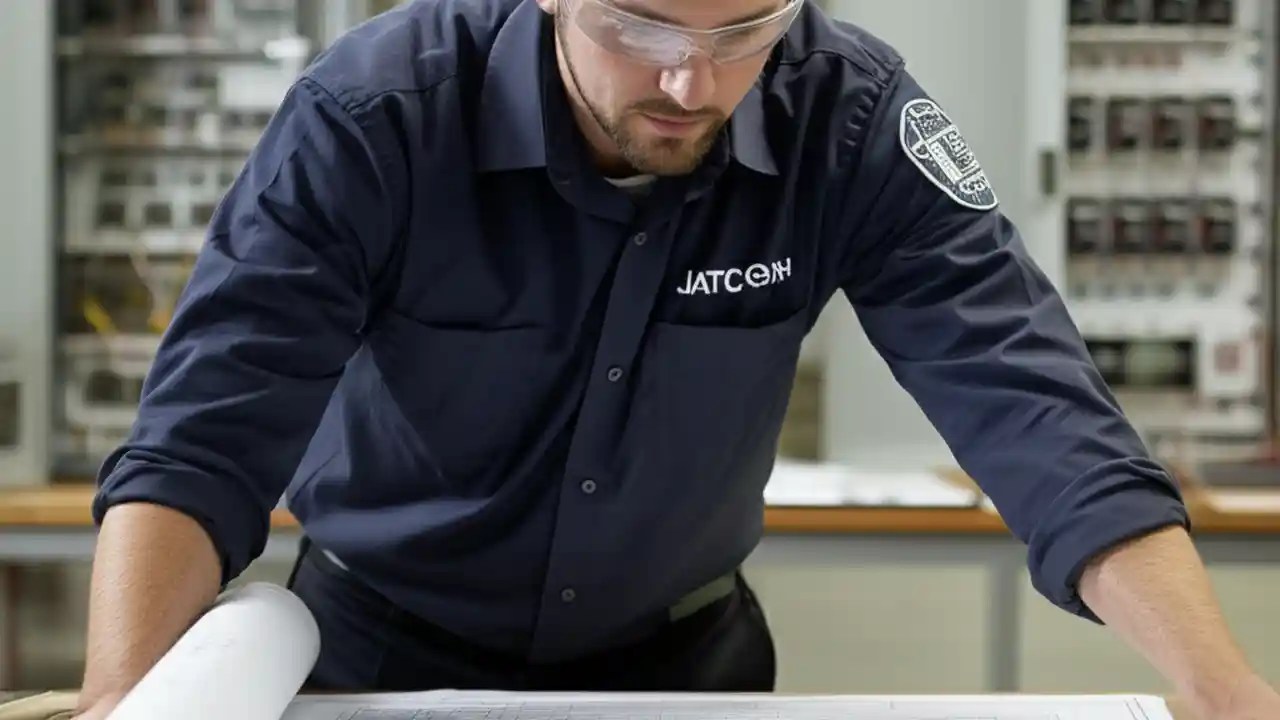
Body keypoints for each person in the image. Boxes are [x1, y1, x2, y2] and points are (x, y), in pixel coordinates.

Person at [75, 0, 1280, 717]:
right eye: (640, 27)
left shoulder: (847, 116)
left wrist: (1225, 693)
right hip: (376, 658)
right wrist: (123, 698)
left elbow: (1033, 407)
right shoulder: (372, 118)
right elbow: (205, 440)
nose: (687, 82)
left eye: (742, 28)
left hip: (684, 667)